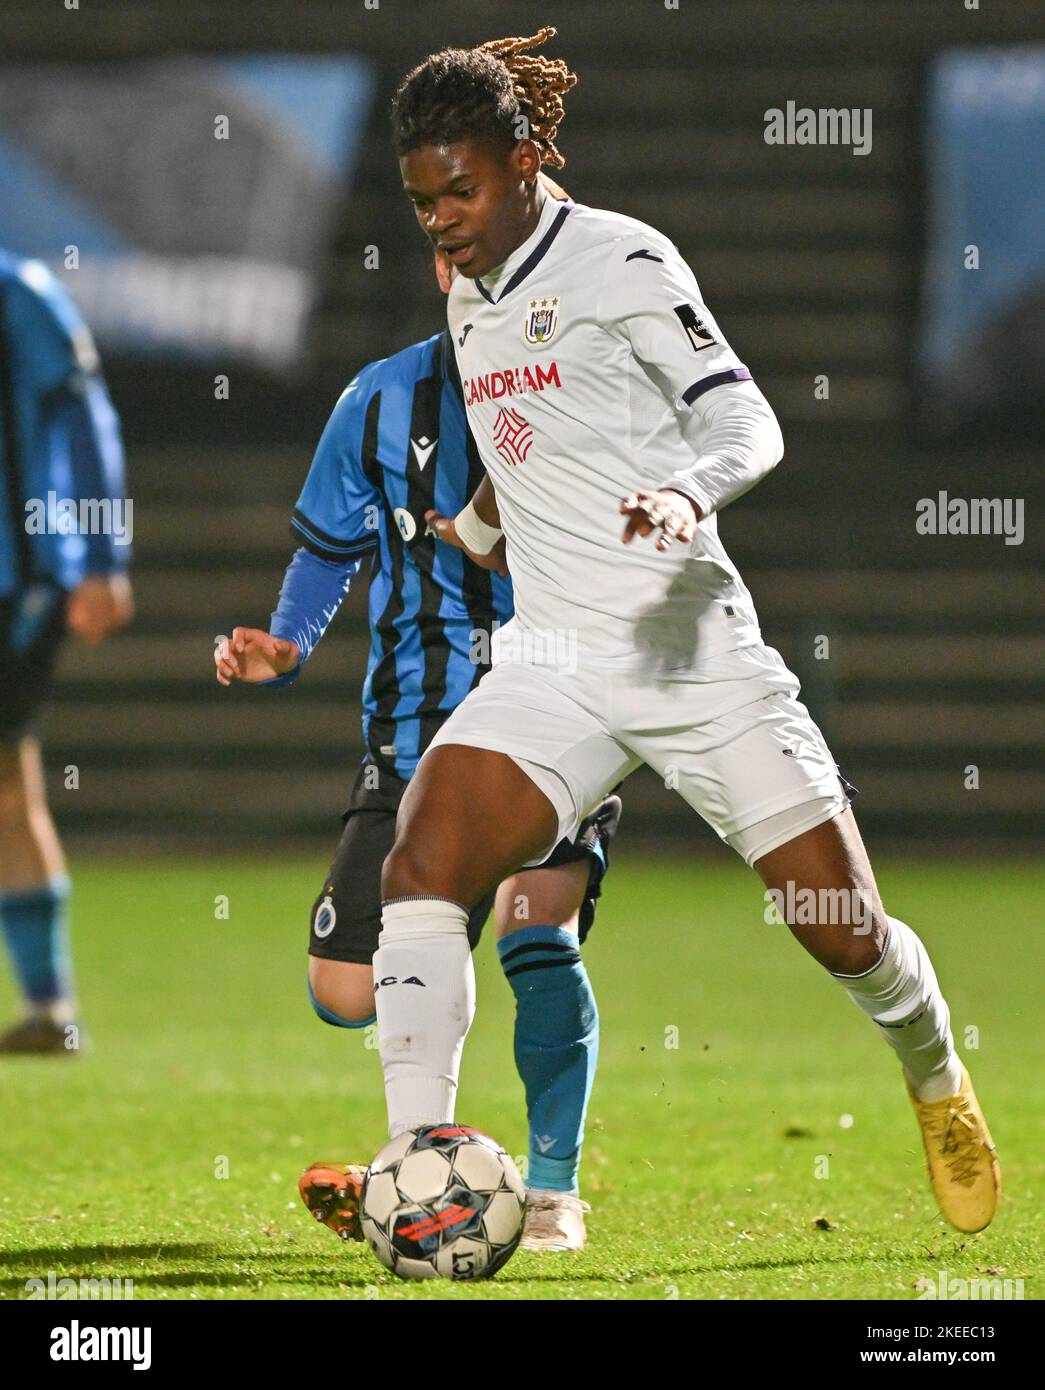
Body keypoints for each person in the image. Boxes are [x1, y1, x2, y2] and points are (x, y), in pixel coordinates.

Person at [373, 26, 999, 1236]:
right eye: (420, 201)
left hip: (687, 649)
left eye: (461, 191)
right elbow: (536, 443)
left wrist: (686, 494)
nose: (441, 221)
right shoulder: (465, 291)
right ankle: (420, 1169)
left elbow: (748, 422)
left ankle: (932, 1067)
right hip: (554, 658)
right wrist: (483, 526)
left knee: (842, 929)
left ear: (525, 156)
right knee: (425, 863)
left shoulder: (619, 258)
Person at [214, 188, 619, 1249]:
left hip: (550, 720)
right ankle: (427, 1169)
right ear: (444, 273)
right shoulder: (378, 401)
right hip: (411, 737)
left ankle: (549, 1189)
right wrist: (288, 642)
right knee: (342, 991)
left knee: (540, 934)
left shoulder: (585, 396)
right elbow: (326, 546)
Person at [0, 250, 132, 1054]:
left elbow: (87, 417)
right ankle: (49, 1009)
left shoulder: (20, 294)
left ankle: (52, 1009)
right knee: (11, 785)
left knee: (8, 782)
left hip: (15, 582)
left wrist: (105, 556)